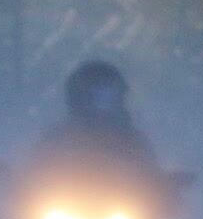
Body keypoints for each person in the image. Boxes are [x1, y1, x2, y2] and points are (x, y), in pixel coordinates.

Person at [33, 60, 161, 175]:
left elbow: (152, 175)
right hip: (65, 196)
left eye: (107, 97)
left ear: (119, 98)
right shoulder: (56, 139)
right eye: (91, 97)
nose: (99, 105)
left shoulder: (133, 141)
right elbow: (32, 173)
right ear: (76, 99)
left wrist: (167, 185)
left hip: (123, 198)